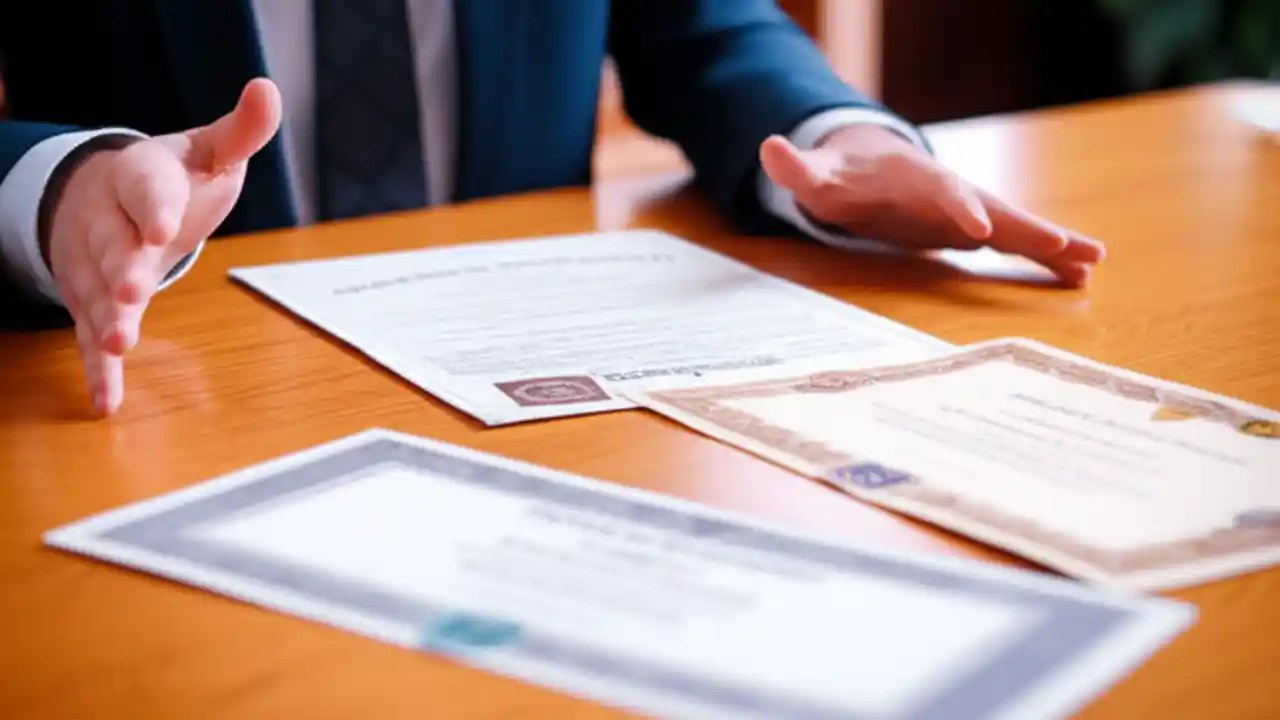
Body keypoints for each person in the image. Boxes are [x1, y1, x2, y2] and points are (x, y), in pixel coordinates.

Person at [0, 1, 1103, 415]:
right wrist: (55, 184)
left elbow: (703, 27)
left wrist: (841, 146)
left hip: (536, 406)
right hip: (170, 401)